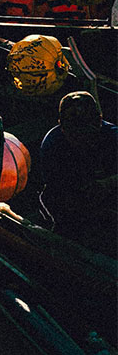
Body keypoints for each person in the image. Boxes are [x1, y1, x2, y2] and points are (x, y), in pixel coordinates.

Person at [39, 91, 118, 247]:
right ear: (61, 125)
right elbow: (55, 190)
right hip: (74, 200)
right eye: (75, 135)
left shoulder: (114, 138)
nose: (83, 141)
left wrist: (108, 183)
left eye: (89, 134)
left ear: (100, 121)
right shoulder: (52, 146)